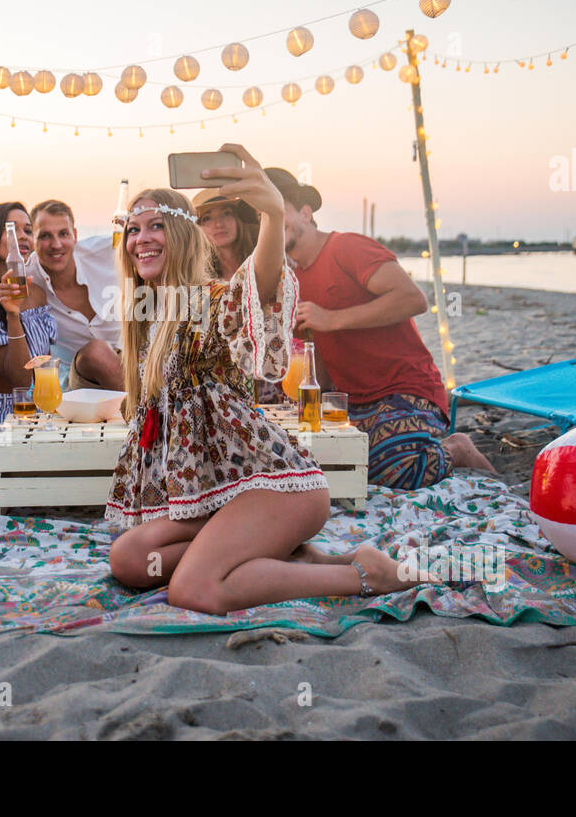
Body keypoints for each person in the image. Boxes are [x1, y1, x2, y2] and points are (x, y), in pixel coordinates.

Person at [105, 144, 433, 615]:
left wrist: (273, 216)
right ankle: (303, 558)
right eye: (133, 229)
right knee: (133, 558)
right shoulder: (150, 316)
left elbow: (257, 285)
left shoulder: (208, 300)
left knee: (195, 590)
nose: (142, 238)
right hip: (224, 495)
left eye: (157, 225)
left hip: (276, 488)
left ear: (181, 234)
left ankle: (365, 575)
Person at [270, 166, 496, 489]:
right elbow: (316, 353)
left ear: (305, 213)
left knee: (392, 468)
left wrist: (331, 319)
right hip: (353, 403)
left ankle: (458, 448)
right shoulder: (291, 281)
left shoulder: (346, 247)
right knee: (329, 467)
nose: (274, 225)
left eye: (281, 213)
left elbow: (413, 298)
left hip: (407, 389)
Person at [0, 202, 57, 431]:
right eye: (13, 229)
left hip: (41, 410)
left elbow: (44, 371)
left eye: (27, 230)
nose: (23, 236)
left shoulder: (37, 296)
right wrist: (12, 316)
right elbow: (22, 380)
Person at [25, 199, 124, 391]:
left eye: (63, 234)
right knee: (97, 352)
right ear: (32, 240)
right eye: (45, 236)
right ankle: (140, 416)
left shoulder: (108, 251)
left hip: (131, 363)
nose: (56, 244)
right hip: (79, 377)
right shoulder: (27, 278)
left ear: (75, 235)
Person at [196, 194, 259, 281]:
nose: (219, 224)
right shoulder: (197, 278)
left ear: (238, 220)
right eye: (207, 218)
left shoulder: (262, 260)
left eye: (226, 213)